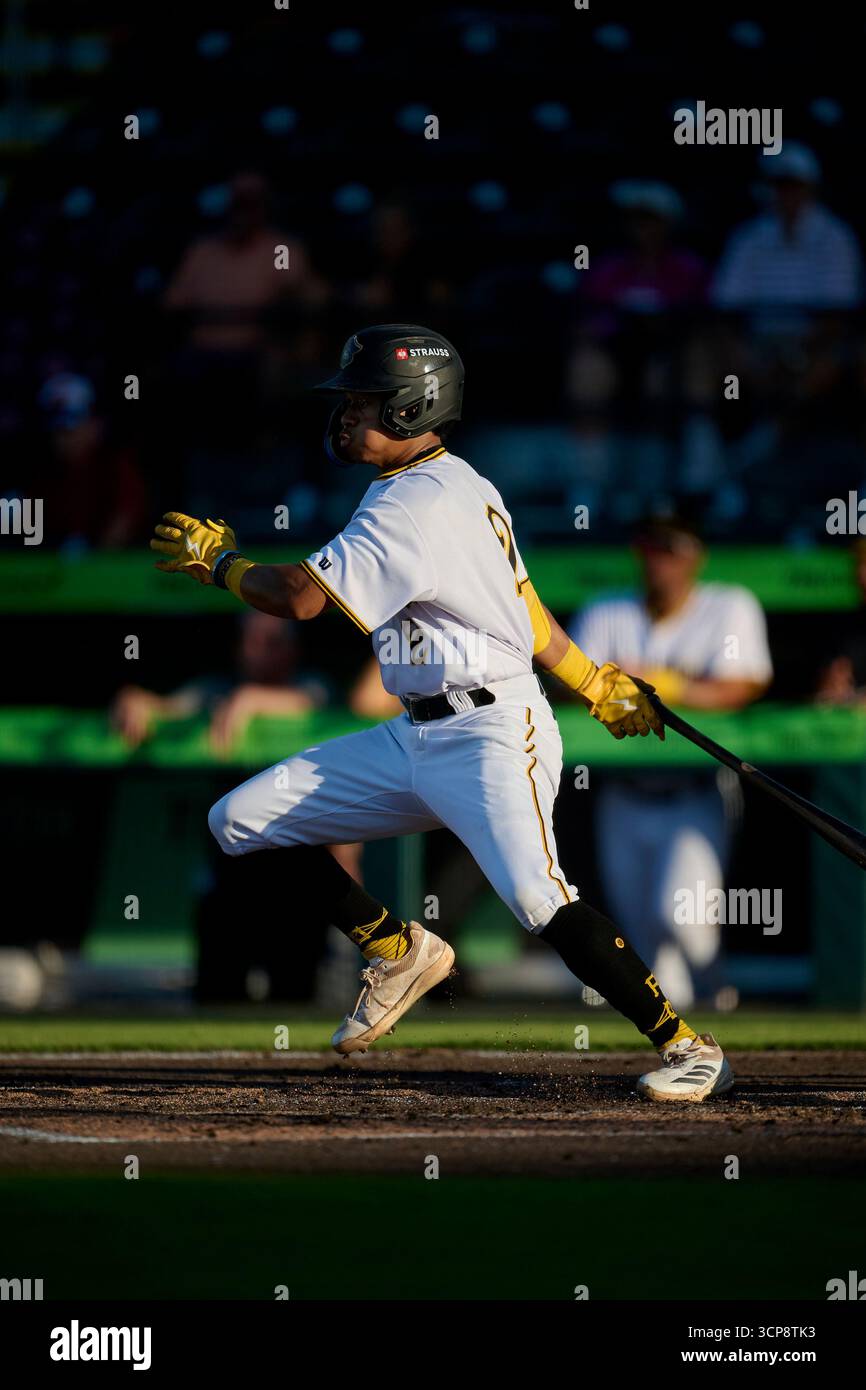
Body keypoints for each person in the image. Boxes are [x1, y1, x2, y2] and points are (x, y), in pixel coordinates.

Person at [150, 323, 733, 1102]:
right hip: (417, 731)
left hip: (492, 730)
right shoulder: (461, 484)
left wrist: (220, 564)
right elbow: (522, 609)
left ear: (409, 408)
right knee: (241, 821)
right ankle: (397, 949)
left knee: (539, 898)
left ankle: (691, 1046)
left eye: (363, 400)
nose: (348, 413)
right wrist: (592, 678)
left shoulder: (414, 502)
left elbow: (295, 598)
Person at [569, 512, 773, 1008]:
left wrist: (666, 685)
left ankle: (719, 1000)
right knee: (643, 942)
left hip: (695, 790)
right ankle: (682, 1051)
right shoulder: (608, 608)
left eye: (672, 549)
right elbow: (572, 680)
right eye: (651, 548)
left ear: (694, 556)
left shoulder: (728, 606)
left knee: (683, 921)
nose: (660, 562)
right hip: (624, 793)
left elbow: (744, 683)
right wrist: (620, 692)